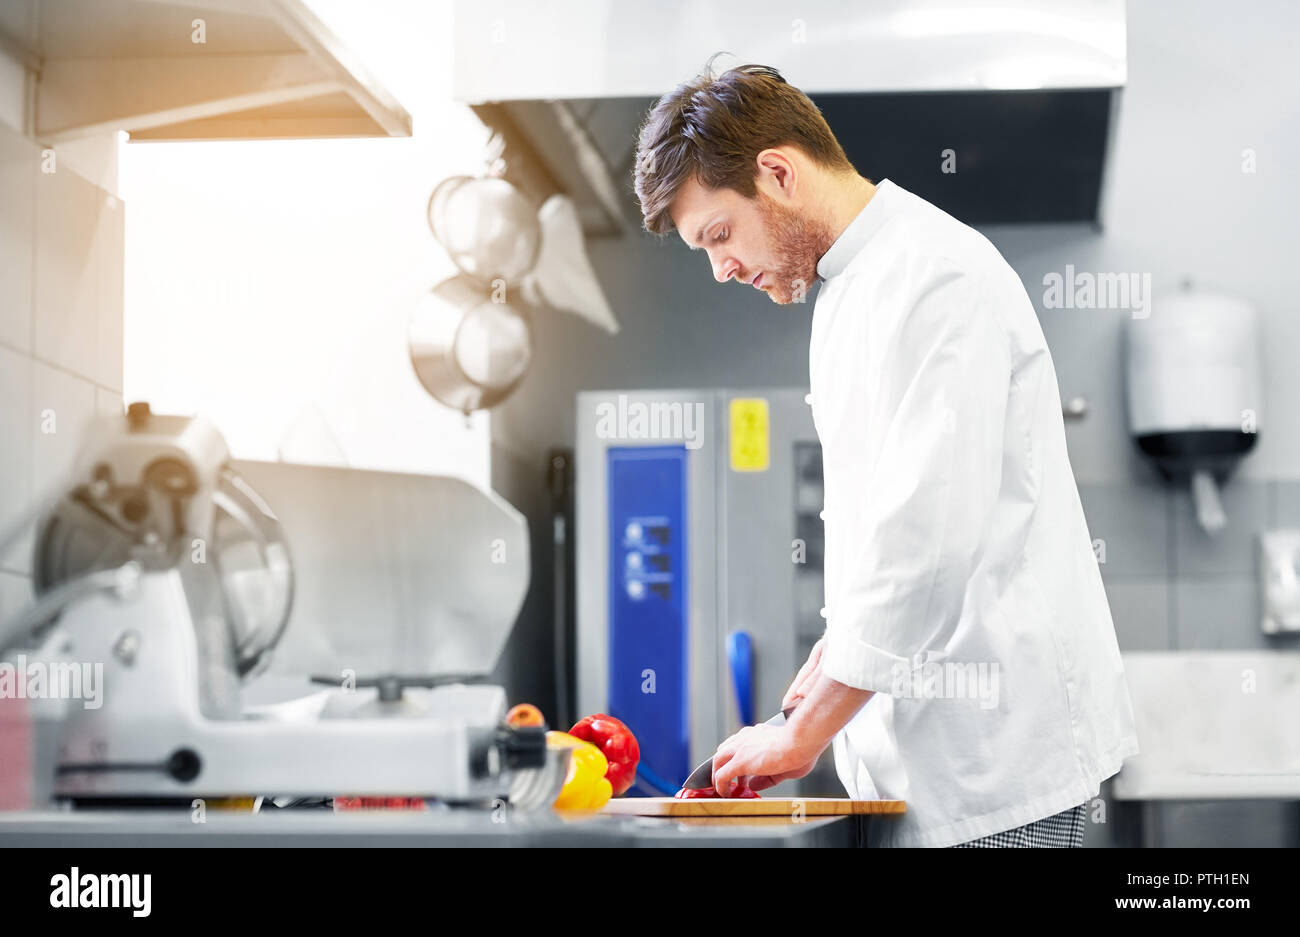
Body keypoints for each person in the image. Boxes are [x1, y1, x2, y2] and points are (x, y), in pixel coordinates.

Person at [632, 61, 1140, 847]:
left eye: (720, 234)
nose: (721, 268)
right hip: (924, 772)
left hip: (995, 773)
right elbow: (890, 533)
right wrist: (819, 683)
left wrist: (802, 740)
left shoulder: (935, 276)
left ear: (777, 172)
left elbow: (926, 546)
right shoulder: (850, 289)